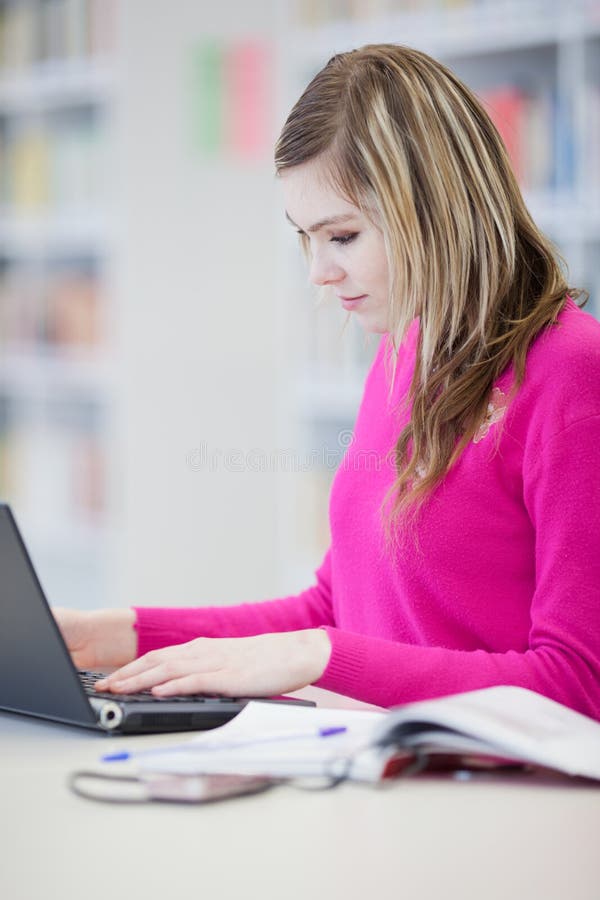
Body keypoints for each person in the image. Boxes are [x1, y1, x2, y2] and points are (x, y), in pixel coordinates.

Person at [54, 44, 600, 719]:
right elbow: (339, 605)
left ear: (438, 209)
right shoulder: (407, 348)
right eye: (305, 238)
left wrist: (324, 655)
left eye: (342, 236)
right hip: (388, 778)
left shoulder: (573, 373)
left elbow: (578, 686)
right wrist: (118, 634)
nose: (318, 271)